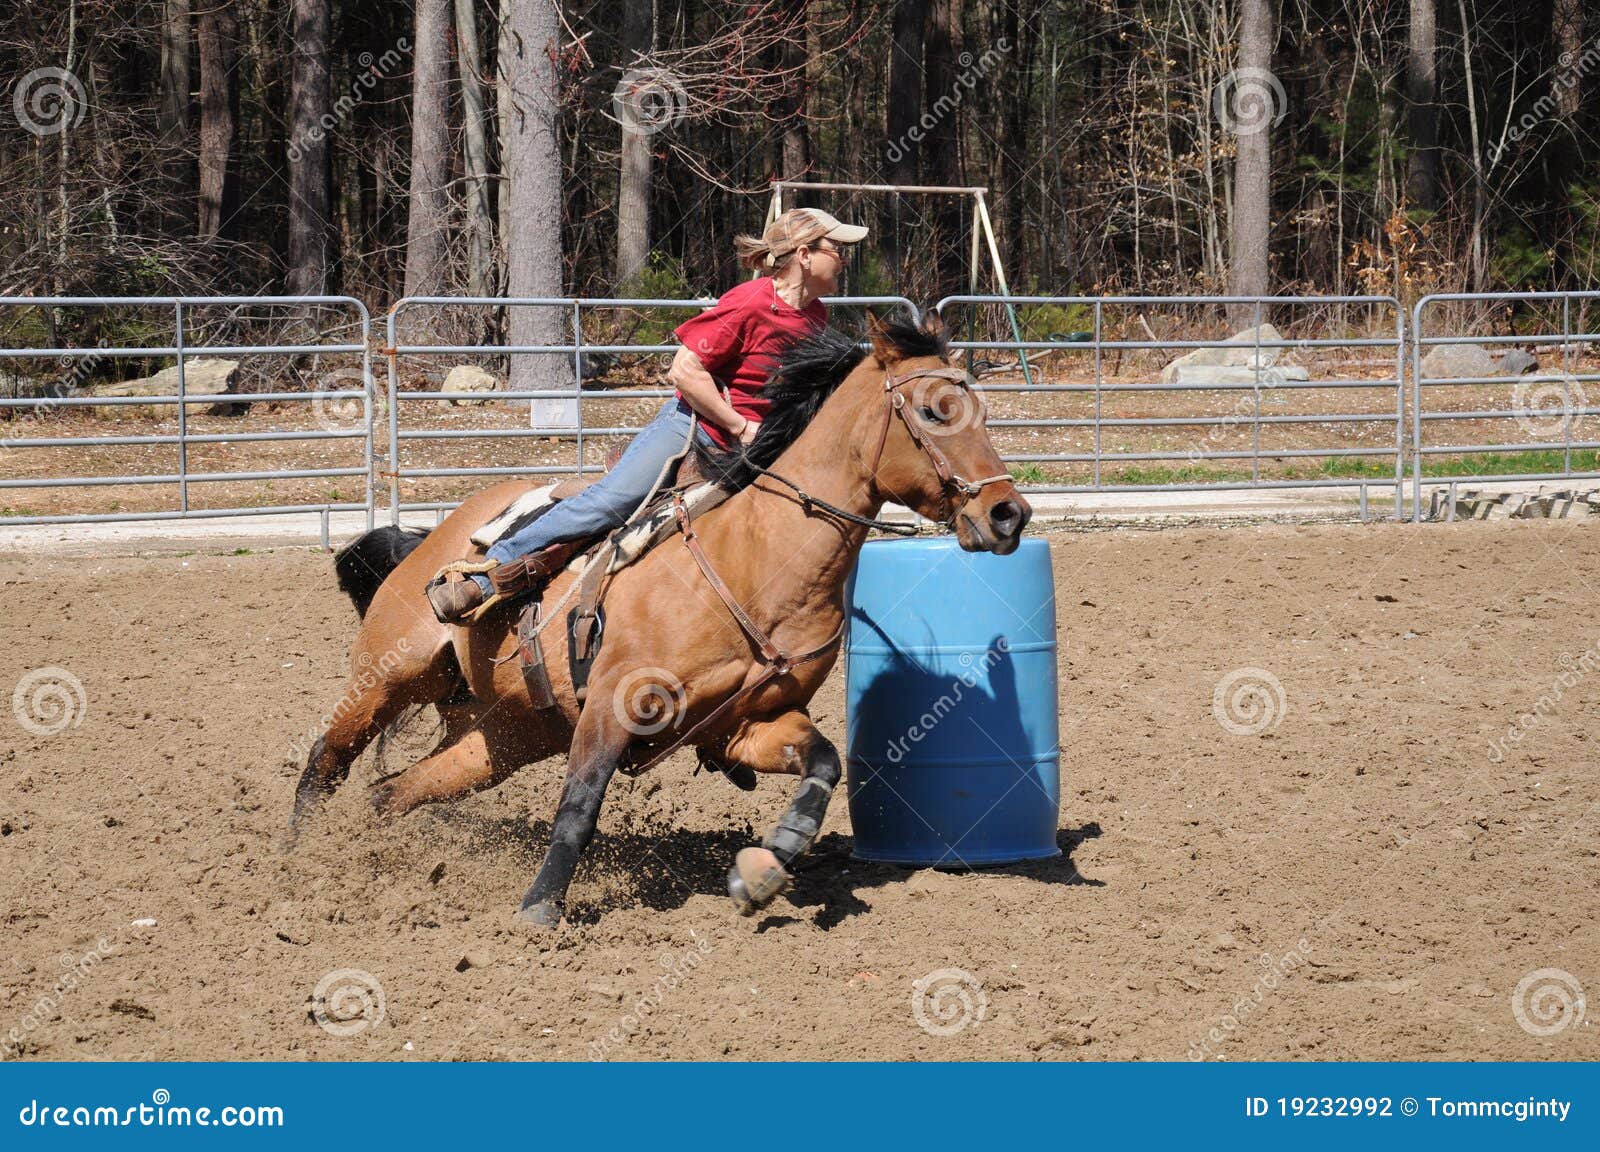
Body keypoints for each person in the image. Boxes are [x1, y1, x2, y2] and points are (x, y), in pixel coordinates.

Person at [427, 207, 869, 623]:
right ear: (805, 256)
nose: (844, 259)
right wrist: (739, 425)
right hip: (698, 432)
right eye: (838, 249)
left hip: (761, 447)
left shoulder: (814, 314)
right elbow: (685, 369)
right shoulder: (750, 302)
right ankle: (491, 569)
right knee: (612, 501)